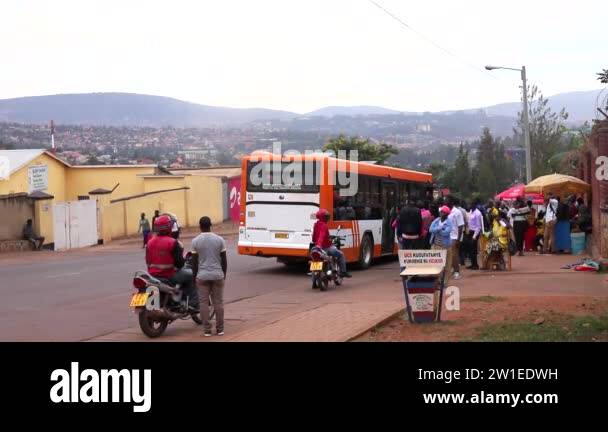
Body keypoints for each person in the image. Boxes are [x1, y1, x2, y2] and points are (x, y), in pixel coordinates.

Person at [145, 215, 198, 313]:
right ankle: (193, 304)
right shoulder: (173, 242)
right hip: (169, 275)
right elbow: (179, 264)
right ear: (169, 227)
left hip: (152, 275)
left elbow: (147, 261)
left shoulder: (149, 242)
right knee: (191, 275)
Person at [191, 216, 227, 337]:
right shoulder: (220, 240)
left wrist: (195, 277)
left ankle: (207, 330)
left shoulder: (195, 241)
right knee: (218, 303)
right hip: (218, 275)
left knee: (203, 303)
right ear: (210, 225)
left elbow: (194, 262)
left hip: (202, 276)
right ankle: (220, 329)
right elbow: (224, 260)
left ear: (200, 226)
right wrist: (223, 275)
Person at [312, 209, 352, 278]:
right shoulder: (324, 225)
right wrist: (319, 244)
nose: (327, 218)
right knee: (341, 254)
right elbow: (321, 235)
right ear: (323, 217)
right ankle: (343, 272)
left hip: (317, 248)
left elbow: (314, 238)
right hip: (326, 248)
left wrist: (317, 245)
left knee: (315, 261)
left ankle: (314, 282)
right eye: (326, 217)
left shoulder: (316, 225)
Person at [429, 206, 453, 282]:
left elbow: (446, 233)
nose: (441, 213)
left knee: (446, 265)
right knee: (435, 264)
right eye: (441, 212)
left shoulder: (449, 223)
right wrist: (439, 228)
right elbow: (431, 230)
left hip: (445, 246)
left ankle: (445, 282)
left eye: (443, 212)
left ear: (447, 214)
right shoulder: (436, 220)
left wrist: (437, 230)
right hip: (435, 245)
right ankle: (437, 281)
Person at [447, 197, 464, 280]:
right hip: (447, 236)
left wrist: (458, 239)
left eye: (447, 201)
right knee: (448, 255)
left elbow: (460, 226)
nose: (445, 202)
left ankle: (457, 272)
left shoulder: (457, 212)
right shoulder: (446, 212)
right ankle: (452, 270)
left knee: (454, 255)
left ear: (451, 202)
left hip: (454, 236)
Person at [466, 199, 483, 270]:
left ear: (474, 205)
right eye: (469, 204)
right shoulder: (470, 211)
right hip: (470, 231)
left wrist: (474, 236)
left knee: (474, 249)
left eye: (470, 204)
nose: (469, 205)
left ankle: (476, 265)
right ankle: (472, 264)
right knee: (470, 249)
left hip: (475, 232)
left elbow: (479, 226)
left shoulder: (478, 213)